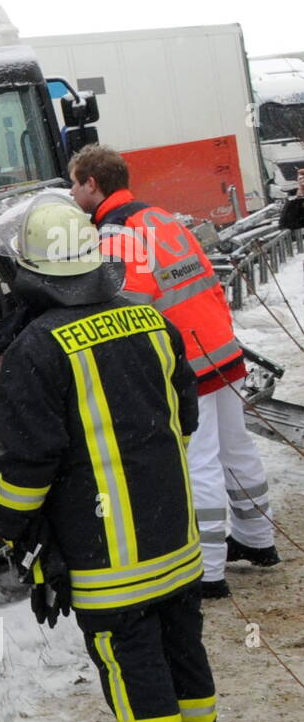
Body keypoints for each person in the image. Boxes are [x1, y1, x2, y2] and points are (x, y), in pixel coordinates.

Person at [0, 192, 217, 722]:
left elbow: (29, 466)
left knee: (128, 651)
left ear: (32, 276)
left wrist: (12, 527)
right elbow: (185, 418)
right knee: (180, 635)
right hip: (176, 532)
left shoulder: (35, 351)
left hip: (110, 551)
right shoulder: (151, 319)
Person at [68, 145, 279, 600]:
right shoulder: (158, 216)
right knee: (235, 445)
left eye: (74, 183)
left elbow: (133, 305)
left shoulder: (116, 231)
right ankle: (259, 540)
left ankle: (208, 571)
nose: (71, 192)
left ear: (92, 184)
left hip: (188, 356)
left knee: (199, 456)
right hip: (220, 343)